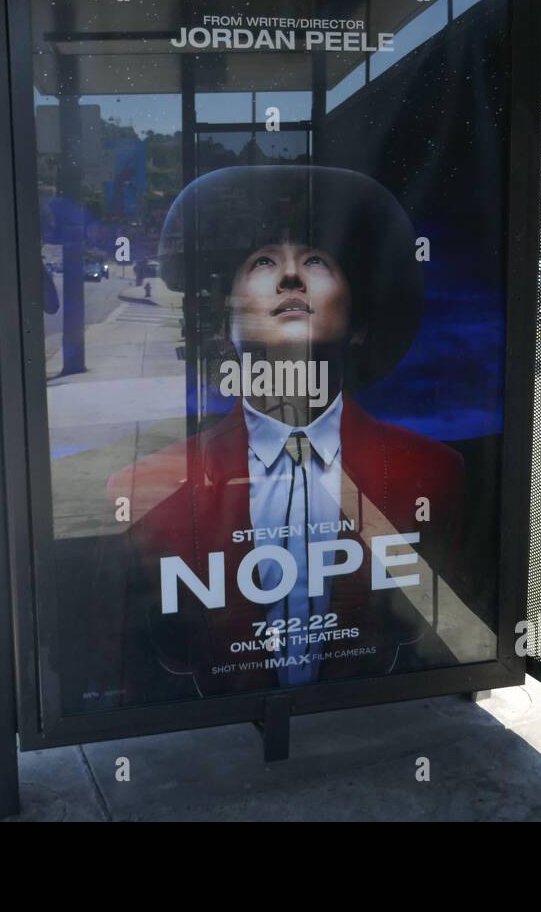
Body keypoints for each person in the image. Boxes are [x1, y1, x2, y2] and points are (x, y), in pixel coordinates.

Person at [105, 165, 471, 702]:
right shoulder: (144, 492)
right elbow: (123, 667)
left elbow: (440, 631)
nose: (291, 277)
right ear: (224, 326)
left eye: (317, 260)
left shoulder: (433, 473)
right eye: (263, 262)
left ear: (360, 322)